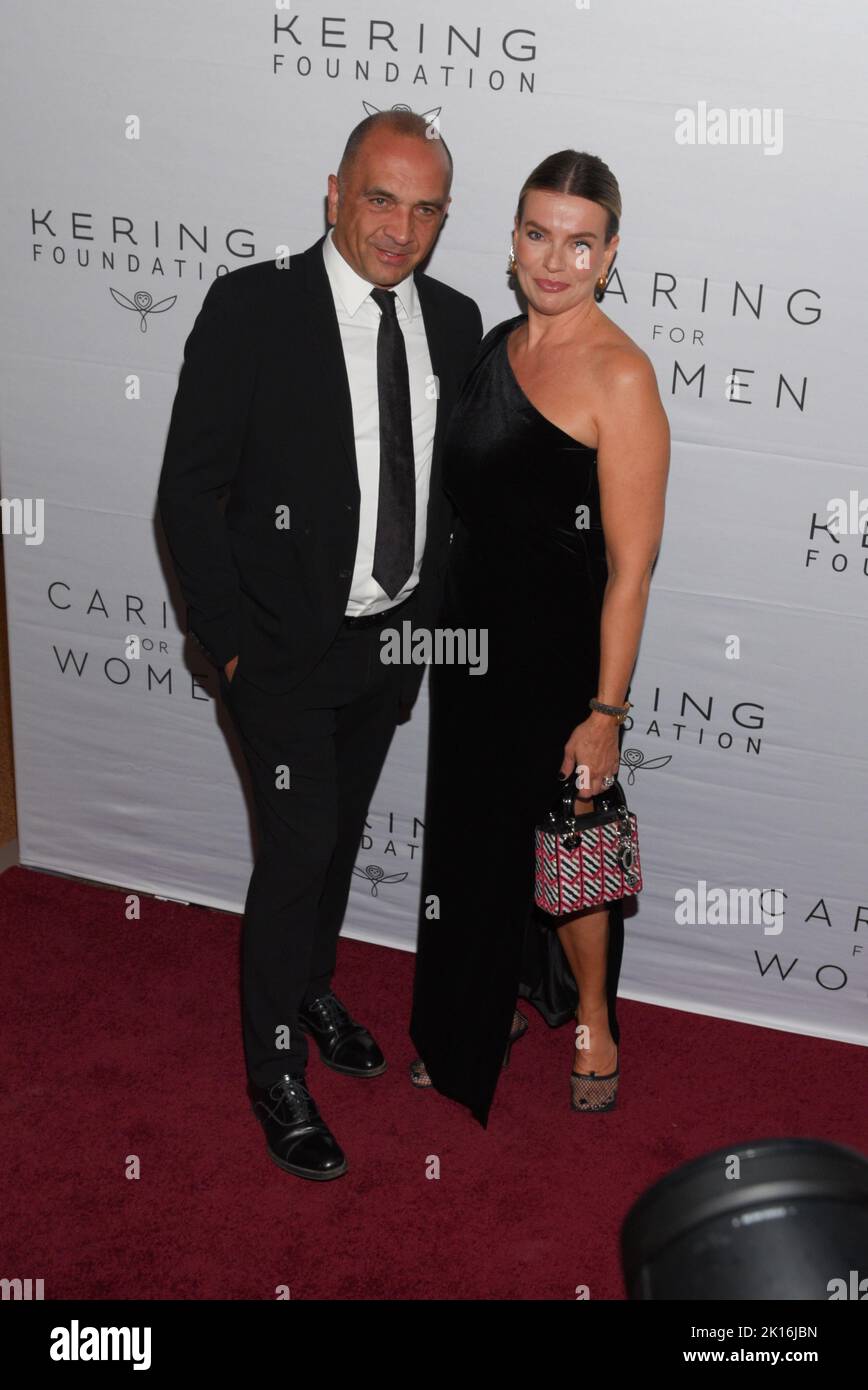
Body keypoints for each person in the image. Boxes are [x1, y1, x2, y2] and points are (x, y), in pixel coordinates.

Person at [158, 110, 482, 1180]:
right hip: (281, 651)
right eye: (380, 198)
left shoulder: (455, 317)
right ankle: (275, 1066)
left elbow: (451, 498)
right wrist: (232, 648)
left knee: (336, 840)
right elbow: (189, 494)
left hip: (389, 647)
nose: (399, 227)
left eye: (424, 206)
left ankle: (309, 985)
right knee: (297, 852)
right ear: (332, 192)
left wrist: (432, 626)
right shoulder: (253, 308)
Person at [409, 150, 670, 1126]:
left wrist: (604, 712)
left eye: (577, 241)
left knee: (573, 851)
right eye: (535, 233)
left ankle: (596, 1016)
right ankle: (470, 1017)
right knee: (473, 849)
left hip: (561, 664)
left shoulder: (622, 374)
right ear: (513, 238)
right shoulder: (491, 347)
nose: (552, 259)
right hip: (470, 652)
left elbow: (631, 568)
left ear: (607, 255)